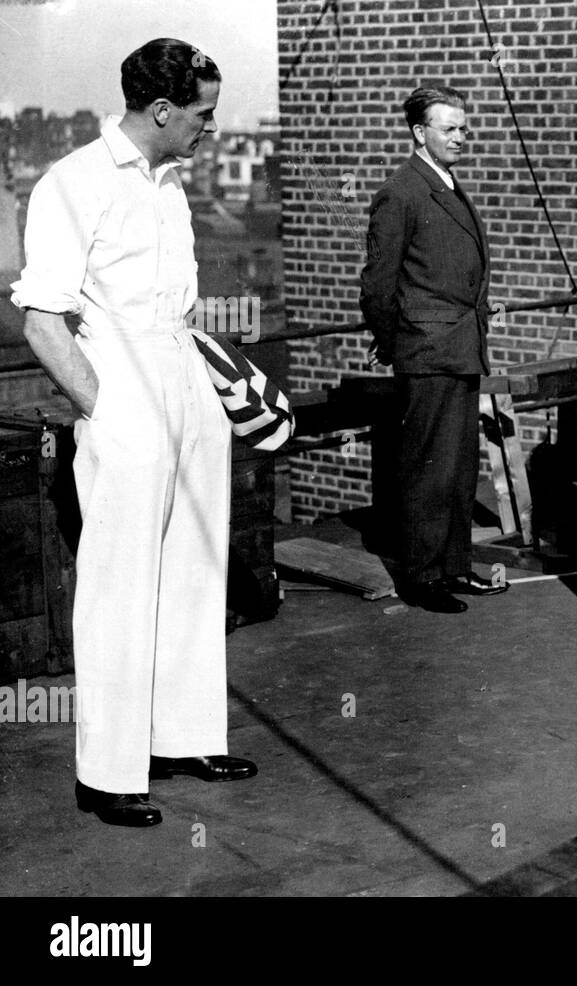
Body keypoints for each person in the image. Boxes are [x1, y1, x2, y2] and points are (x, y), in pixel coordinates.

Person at [11, 39, 256, 828]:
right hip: (121, 386)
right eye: (203, 114)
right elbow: (43, 320)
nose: (211, 129)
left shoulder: (167, 182)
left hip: (182, 373)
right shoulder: (71, 183)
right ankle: (110, 769)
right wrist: (102, 407)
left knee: (193, 567)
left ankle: (180, 737)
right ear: (161, 109)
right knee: (119, 584)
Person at [360, 85, 508, 613]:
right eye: (450, 128)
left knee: (458, 465)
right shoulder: (401, 192)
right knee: (428, 466)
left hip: (461, 345)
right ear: (420, 133)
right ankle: (422, 578)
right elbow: (378, 284)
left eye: (463, 128)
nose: (461, 137)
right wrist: (396, 340)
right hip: (429, 350)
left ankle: (453, 567)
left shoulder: (444, 184)